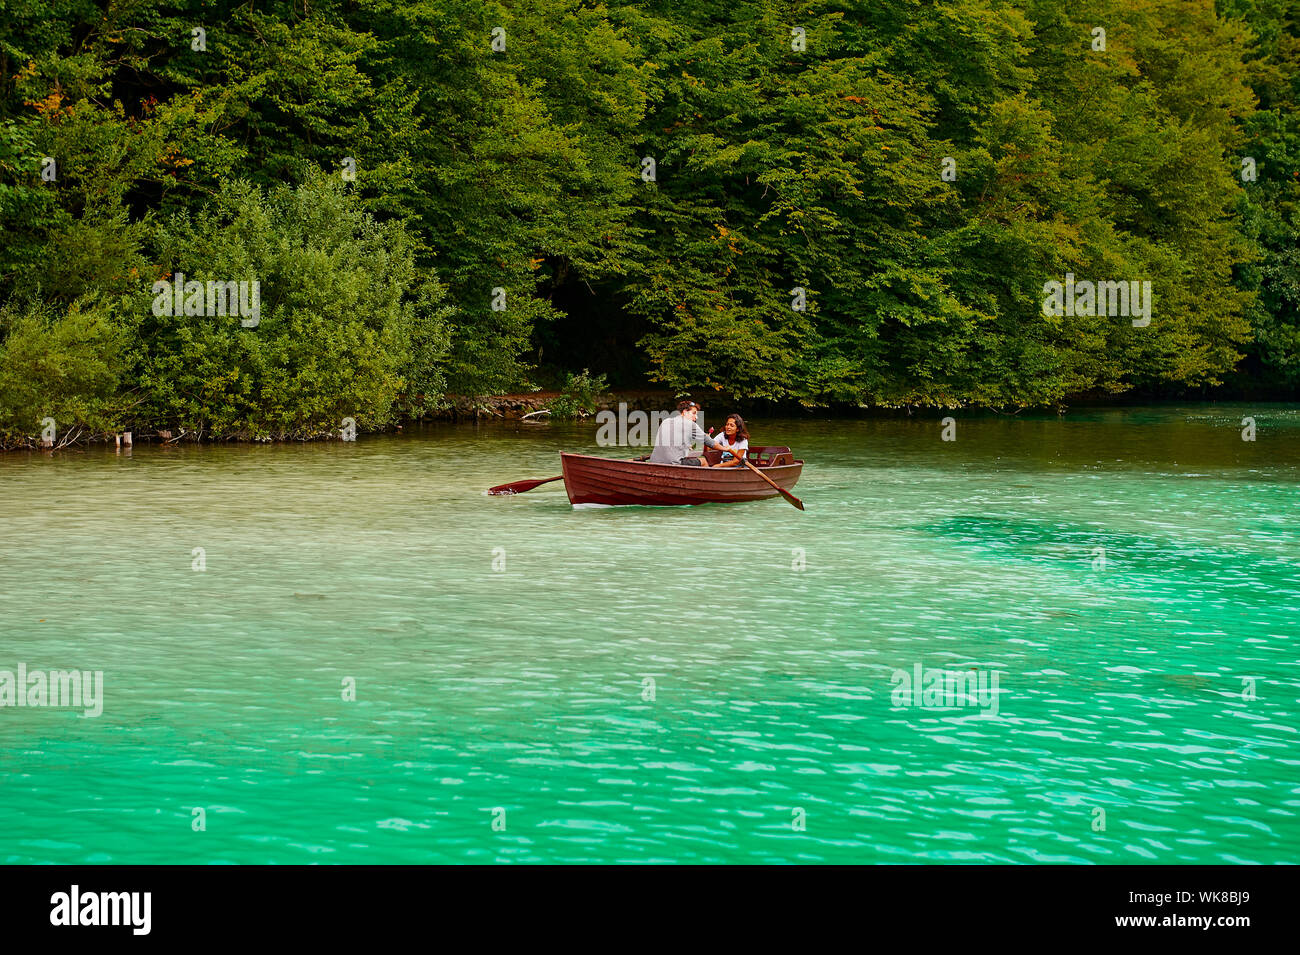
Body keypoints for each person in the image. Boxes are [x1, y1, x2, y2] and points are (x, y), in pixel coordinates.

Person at [649, 399, 720, 465]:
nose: (696, 417)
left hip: (654, 461)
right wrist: (726, 449)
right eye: (694, 413)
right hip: (673, 463)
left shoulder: (666, 421)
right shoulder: (690, 424)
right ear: (685, 412)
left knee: (690, 455)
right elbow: (709, 442)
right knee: (703, 461)